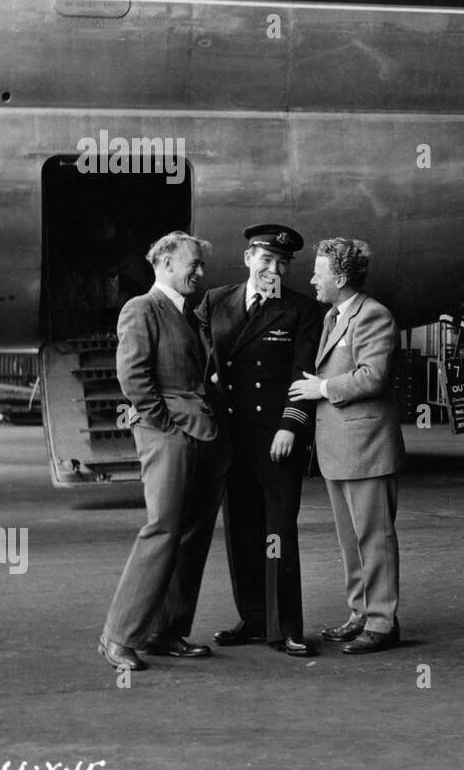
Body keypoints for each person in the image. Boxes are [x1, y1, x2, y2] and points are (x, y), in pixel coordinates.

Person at [99, 231, 223, 671]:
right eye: (195, 264)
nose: (201, 272)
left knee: (191, 538)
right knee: (162, 531)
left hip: (202, 434)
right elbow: (133, 376)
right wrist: (165, 425)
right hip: (168, 433)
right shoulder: (142, 308)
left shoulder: (188, 313)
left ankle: (166, 632)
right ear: (167, 262)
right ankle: (118, 637)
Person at [198, 225, 321, 658]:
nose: (274, 269)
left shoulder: (301, 311)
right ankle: (252, 618)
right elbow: (198, 355)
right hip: (231, 438)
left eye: (282, 264)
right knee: (243, 530)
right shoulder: (216, 301)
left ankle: (285, 626)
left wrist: (291, 425)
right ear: (249, 258)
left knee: (278, 530)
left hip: (276, 438)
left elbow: (302, 375)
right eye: (266, 260)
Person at [288, 238, 404, 654]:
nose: (312, 279)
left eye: (318, 272)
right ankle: (360, 613)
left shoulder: (373, 316)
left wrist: (322, 387)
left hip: (367, 447)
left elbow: (373, 376)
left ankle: (382, 622)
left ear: (339, 278)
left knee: (374, 538)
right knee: (351, 539)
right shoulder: (334, 316)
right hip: (340, 448)